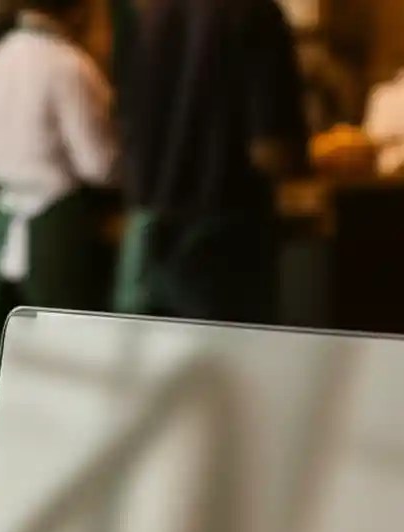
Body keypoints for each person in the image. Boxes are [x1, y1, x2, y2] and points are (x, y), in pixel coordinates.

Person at [0, 0, 119, 454]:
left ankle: (12, 468)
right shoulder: (70, 67)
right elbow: (101, 165)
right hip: (59, 225)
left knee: (5, 364)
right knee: (67, 368)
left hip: (4, 225)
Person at [113, 0, 308, 323]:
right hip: (226, 247)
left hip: (148, 243)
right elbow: (271, 151)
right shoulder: (254, 12)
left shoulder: (145, 14)